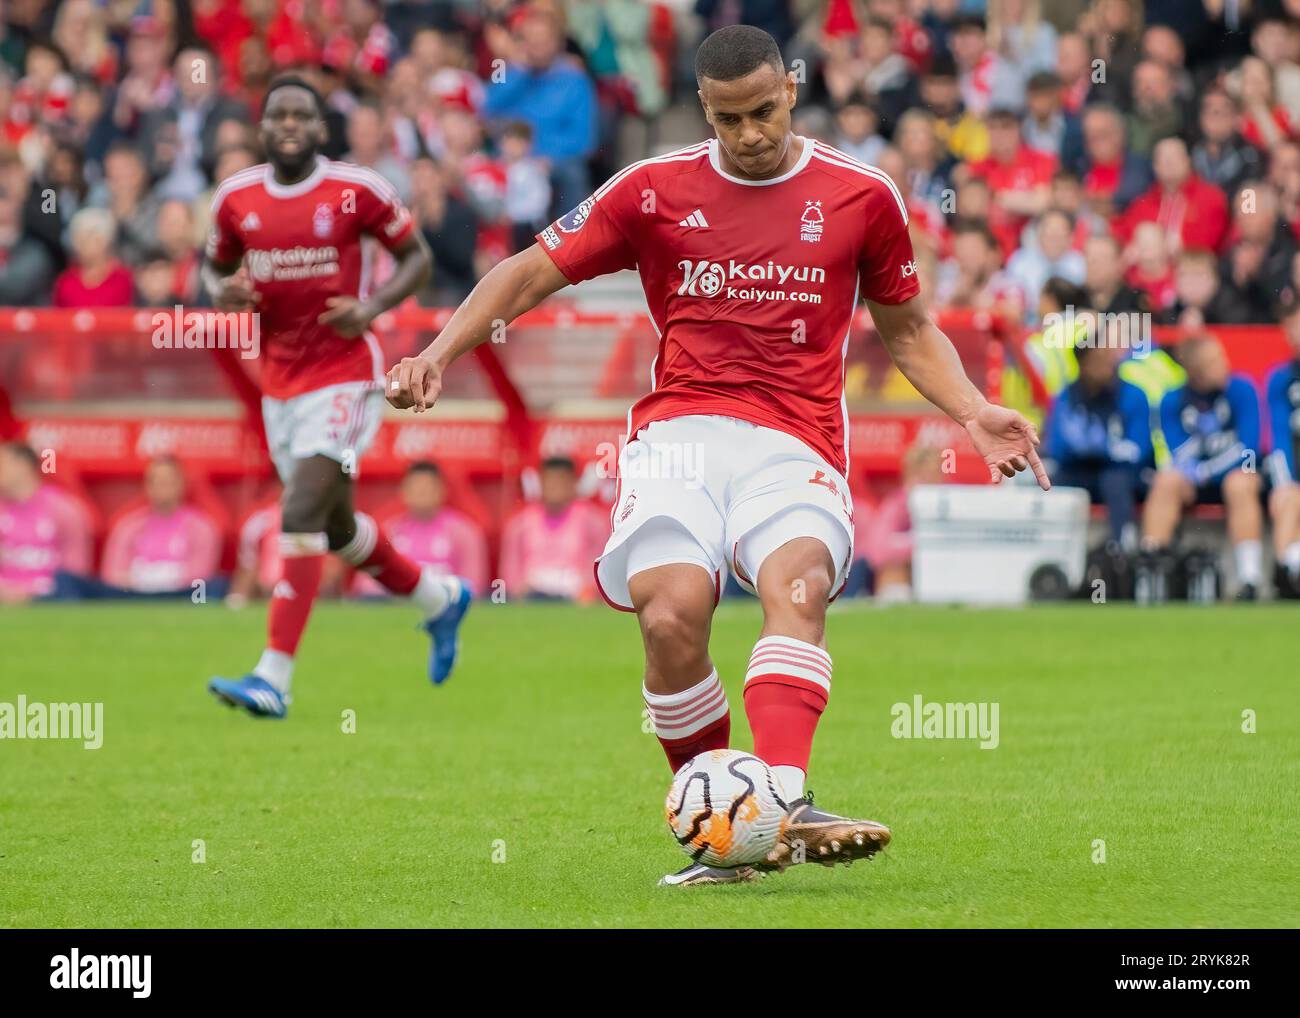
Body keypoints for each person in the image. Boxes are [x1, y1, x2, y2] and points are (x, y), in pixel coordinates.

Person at [385, 26, 1049, 887]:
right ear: (705, 110)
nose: (751, 134)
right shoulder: (654, 188)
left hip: (797, 436)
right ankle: (726, 838)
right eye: (730, 119)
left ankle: (784, 798)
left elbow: (909, 328)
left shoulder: (862, 196)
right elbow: (527, 273)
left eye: (765, 112)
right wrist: (440, 351)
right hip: (680, 435)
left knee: (797, 582)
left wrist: (972, 411)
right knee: (668, 617)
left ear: (792, 92)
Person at [203, 76, 466, 720]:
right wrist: (221, 292)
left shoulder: (357, 190)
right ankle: (439, 598)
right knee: (336, 527)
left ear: (321, 128)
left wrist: (372, 306)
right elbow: (213, 268)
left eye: (302, 115)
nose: (289, 124)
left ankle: (274, 677)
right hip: (280, 381)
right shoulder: (236, 198)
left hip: (346, 375)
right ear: (262, 128)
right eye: (277, 115)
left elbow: (417, 258)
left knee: (298, 512)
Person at [1141, 336, 1264, 599]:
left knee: (1241, 482)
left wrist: (1208, 471)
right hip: (1192, 481)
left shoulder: (1242, 390)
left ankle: (1249, 579)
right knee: (1166, 481)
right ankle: (1150, 569)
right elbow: (1177, 451)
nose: (1224, 365)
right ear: (1195, 372)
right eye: (1214, 362)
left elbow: (1248, 449)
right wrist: (1195, 467)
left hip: (1232, 475)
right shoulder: (1172, 400)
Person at [1044, 341, 1152, 548]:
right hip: (1080, 470)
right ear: (1083, 365)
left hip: (1123, 473)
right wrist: (1077, 446)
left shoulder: (1133, 394)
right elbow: (1056, 448)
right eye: (1099, 360)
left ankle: (1123, 546)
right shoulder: (1067, 397)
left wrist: (1105, 447)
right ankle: (1054, 546)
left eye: (1109, 357)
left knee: (1115, 481)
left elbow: (1141, 448)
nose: (1108, 365)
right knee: (1051, 481)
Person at [355, 462, 489, 597]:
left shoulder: (465, 532)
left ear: (442, 490)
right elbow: (367, 586)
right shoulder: (387, 531)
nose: (422, 493)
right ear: (403, 491)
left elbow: (474, 585)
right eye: (416, 488)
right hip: (396, 608)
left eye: (428, 488)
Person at [100, 456, 221, 593]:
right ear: (146, 485)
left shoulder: (201, 527)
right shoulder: (128, 526)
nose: (162, 486)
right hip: (135, 596)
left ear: (182, 483)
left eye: (168, 481)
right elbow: (112, 576)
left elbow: (200, 577)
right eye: (155, 481)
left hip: (181, 596)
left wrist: (149, 577)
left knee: (213, 588)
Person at [500, 456, 606, 601]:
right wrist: (518, 591)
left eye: (561, 480)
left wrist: (589, 590)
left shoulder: (594, 522)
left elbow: (602, 570)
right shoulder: (519, 525)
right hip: (531, 595)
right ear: (540, 482)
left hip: (576, 597)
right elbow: (509, 575)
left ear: (574, 483)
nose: (555, 486)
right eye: (549, 480)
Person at [0, 442, 93, 602]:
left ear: (23, 466)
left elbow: (76, 571)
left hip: (50, 600)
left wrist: (32, 596)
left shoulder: (64, 509)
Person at [1265, 300, 1300, 597]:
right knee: (1289, 499)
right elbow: (1279, 438)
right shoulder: (1280, 379)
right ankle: (1285, 578)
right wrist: (1283, 484)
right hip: (1294, 478)